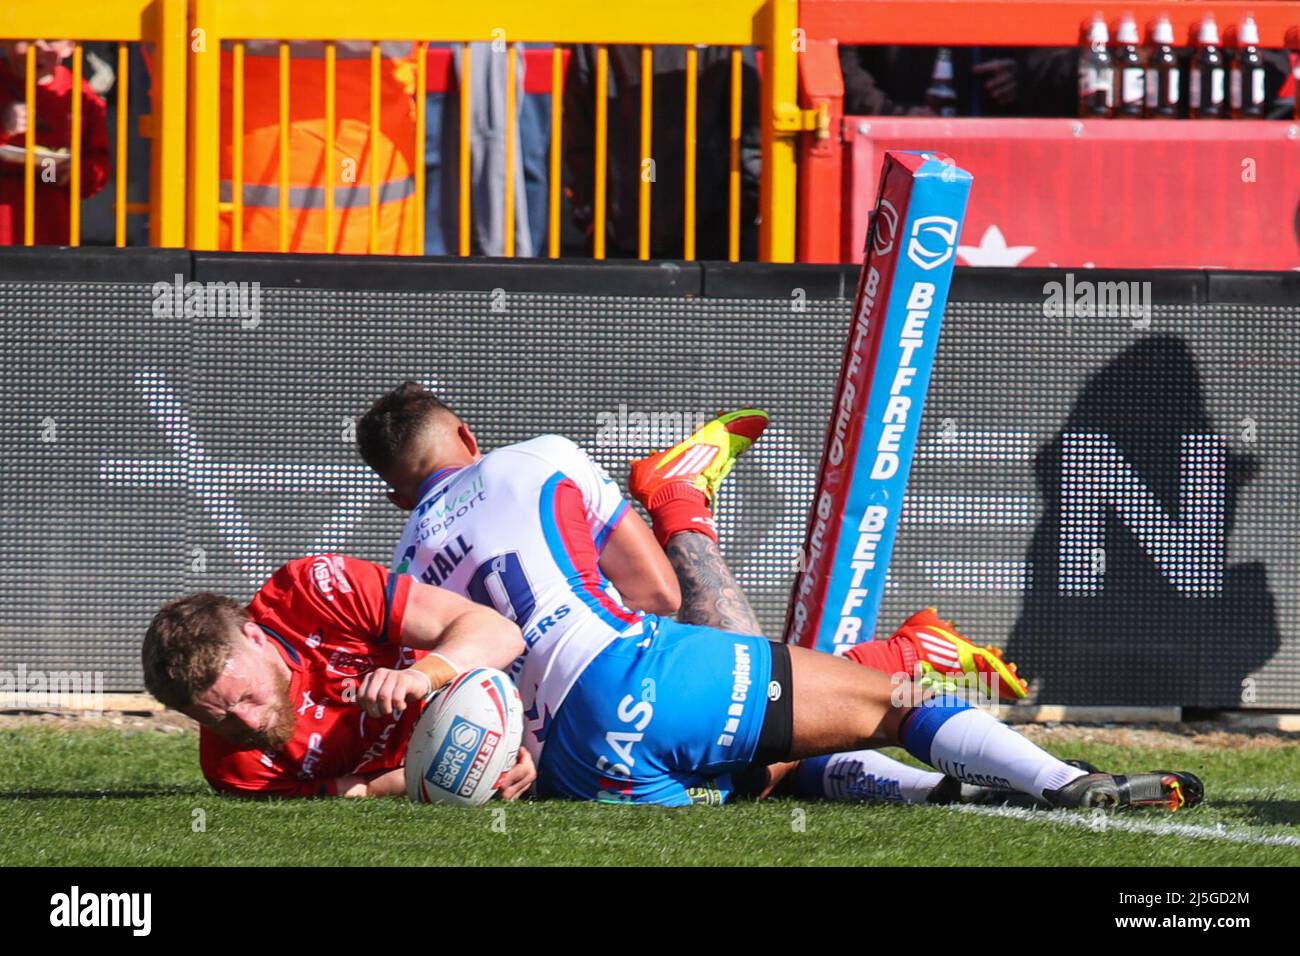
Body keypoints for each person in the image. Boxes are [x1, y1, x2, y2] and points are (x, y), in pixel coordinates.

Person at [356, 383, 1203, 811]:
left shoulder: (403, 566)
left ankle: (945, 767)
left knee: (776, 762)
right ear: (466, 433)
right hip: (623, 676)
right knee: (892, 702)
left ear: (397, 496)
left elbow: (465, 700)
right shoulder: (534, 456)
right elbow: (654, 591)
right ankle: (1055, 777)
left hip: (570, 772)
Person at [142, 554, 535, 798]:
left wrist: (420, 677)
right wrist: (479, 766)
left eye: (246, 696)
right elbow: (364, 790)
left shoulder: (315, 592)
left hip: (511, 694)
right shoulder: (237, 770)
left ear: (255, 636)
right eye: (217, 719)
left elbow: (500, 633)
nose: (248, 722)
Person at [0, 40, 110, 246]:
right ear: (5, 40)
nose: (39, 48)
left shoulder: (81, 95)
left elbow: (98, 170)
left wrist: (74, 172)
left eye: (51, 40)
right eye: (27, 38)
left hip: (51, 237)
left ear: (71, 46)